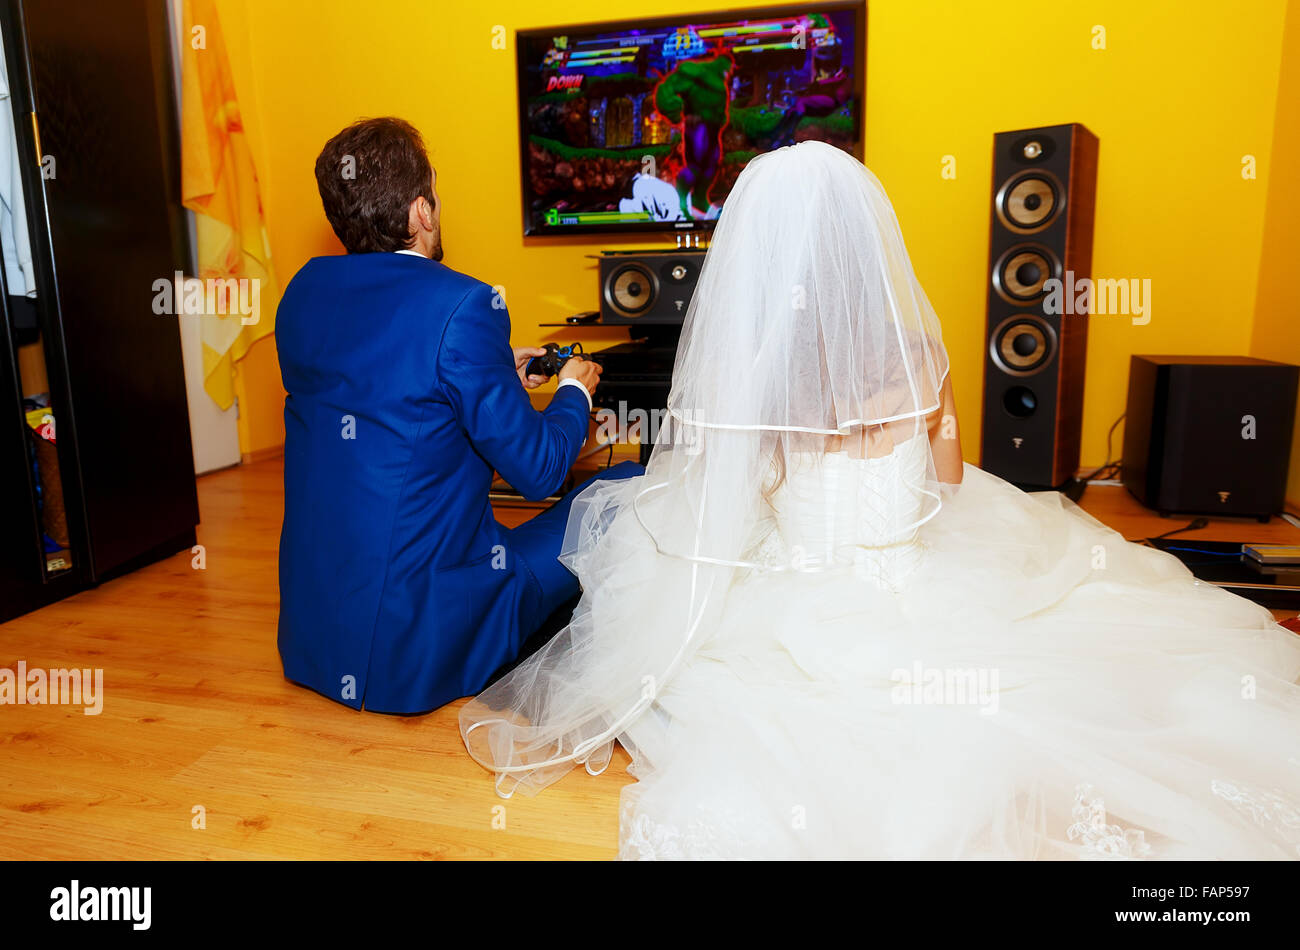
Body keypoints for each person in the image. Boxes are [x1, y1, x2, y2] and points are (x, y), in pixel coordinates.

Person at [459, 140, 1300, 859]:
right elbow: (949, 483)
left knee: (643, 535)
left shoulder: (762, 376)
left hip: (802, 605)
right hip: (915, 586)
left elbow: (726, 505)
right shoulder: (921, 351)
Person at [276, 117, 639, 715]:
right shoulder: (464, 303)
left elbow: (388, 404)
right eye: (437, 194)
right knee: (624, 488)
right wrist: (572, 391)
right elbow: (541, 472)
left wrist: (492, 375)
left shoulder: (303, 293)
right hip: (418, 642)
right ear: (421, 210)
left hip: (316, 641)